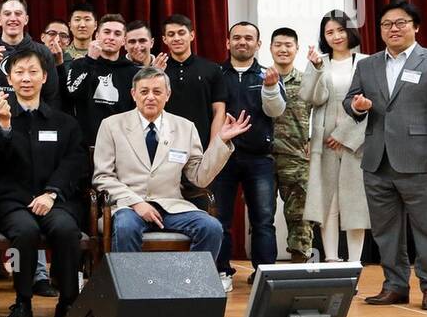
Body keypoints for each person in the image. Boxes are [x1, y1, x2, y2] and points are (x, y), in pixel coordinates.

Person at [344, 0, 427, 311]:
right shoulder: (367, 65)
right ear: (380, 31)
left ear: (415, 27)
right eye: (386, 24)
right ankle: (395, 285)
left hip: (423, 159)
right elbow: (350, 100)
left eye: (401, 23)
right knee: (386, 231)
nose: (393, 29)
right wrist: (356, 107)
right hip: (377, 161)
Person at [0, 50, 88, 317]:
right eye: (19, 72)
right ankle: (22, 301)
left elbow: (75, 162)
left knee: (66, 230)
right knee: (24, 233)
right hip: (13, 202)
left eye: (32, 72)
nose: (26, 78)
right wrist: (3, 127)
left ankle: (67, 301)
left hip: (55, 200)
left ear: (44, 77)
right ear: (10, 78)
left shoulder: (64, 122)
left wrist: (51, 193)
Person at [93, 66, 250, 257]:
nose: (150, 97)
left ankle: (187, 285)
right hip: (128, 207)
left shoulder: (185, 127)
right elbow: (103, 176)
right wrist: (137, 203)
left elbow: (199, 178)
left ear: (167, 95)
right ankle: (129, 286)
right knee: (125, 226)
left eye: (157, 91)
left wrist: (221, 141)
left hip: (171, 206)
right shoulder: (111, 125)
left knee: (212, 227)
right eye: (144, 91)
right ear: (133, 94)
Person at [212, 21, 286, 289]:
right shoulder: (215, 73)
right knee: (219, 220)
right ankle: (222, 272)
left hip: (259, 159)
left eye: (248, 38)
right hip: (222, 159)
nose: (242, 42)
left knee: (263, 220)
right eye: (237, 38)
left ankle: (264, 272)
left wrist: (270, 88)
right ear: (227, 42)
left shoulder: (268, 74)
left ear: (258, 44)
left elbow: (277, 111)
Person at [301, 9, 370, 265]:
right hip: (323, 143)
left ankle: (354, 264)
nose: (336, 36)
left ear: (349, 31)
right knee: (327, 203)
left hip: (356, 143)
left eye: (340, 30)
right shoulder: (319, 62)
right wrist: (317, 68)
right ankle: (331, 260)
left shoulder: (366, 61)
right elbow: (311, 97)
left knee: (354, 204)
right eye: (329, 32)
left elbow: (372, 106)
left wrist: (344, 136)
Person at [0, 0, 61, 119]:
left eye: (18, 14)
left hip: (33, 126)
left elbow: (52, 97)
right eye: (7, 14)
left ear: (26, 19)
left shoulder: (42, 52)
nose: (13, 18)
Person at [269, 27, 313, 261]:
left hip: (297, 157)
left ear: (296, 49)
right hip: (263, 158)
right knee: (262, 214)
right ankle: (261, 263)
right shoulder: (261, 79)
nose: (283, 49)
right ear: (270, 48)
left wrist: (314, 140)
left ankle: (300, 261)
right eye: (278, 45)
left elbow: (322, 113)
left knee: (300, 214)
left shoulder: (307, 81)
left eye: (288, 45)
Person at [64, 14, 137, 146]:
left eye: (117, 34)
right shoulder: (80, 64)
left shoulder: (133, 72)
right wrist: (90, 61)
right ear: (97, 36)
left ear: (124, 40)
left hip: (121, 145)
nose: (111, 37)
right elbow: (72, 93)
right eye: (107, 32)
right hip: (85, 145)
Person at [161, 13, 226, 148]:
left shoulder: (212, 69)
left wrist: (213, 147)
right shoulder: (158, 69)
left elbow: (219, 110)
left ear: (191, 35)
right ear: (164, 39)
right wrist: (154, 75)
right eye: (171, 34)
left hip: (202, 146)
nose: (176, 38)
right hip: (164, 147)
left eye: (181, 33)